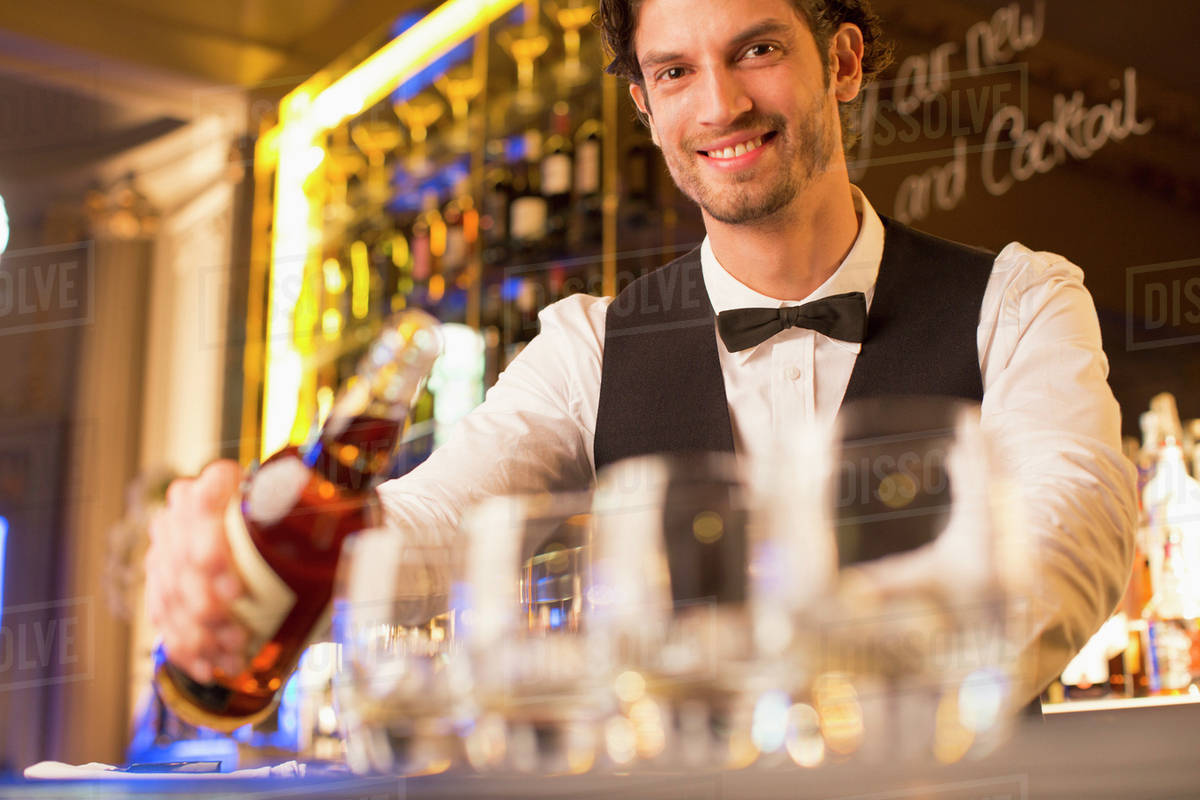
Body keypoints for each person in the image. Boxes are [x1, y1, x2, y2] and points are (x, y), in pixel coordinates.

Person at [146, 0, 1136, 702]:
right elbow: (439, 517)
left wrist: (841, 664)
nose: (718, 106)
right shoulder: (587, 348)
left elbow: (1072, 524)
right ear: (646, 108)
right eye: (674, 72)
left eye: (755, 50)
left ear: (840, 61)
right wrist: (269, 559)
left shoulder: (1019, 299)